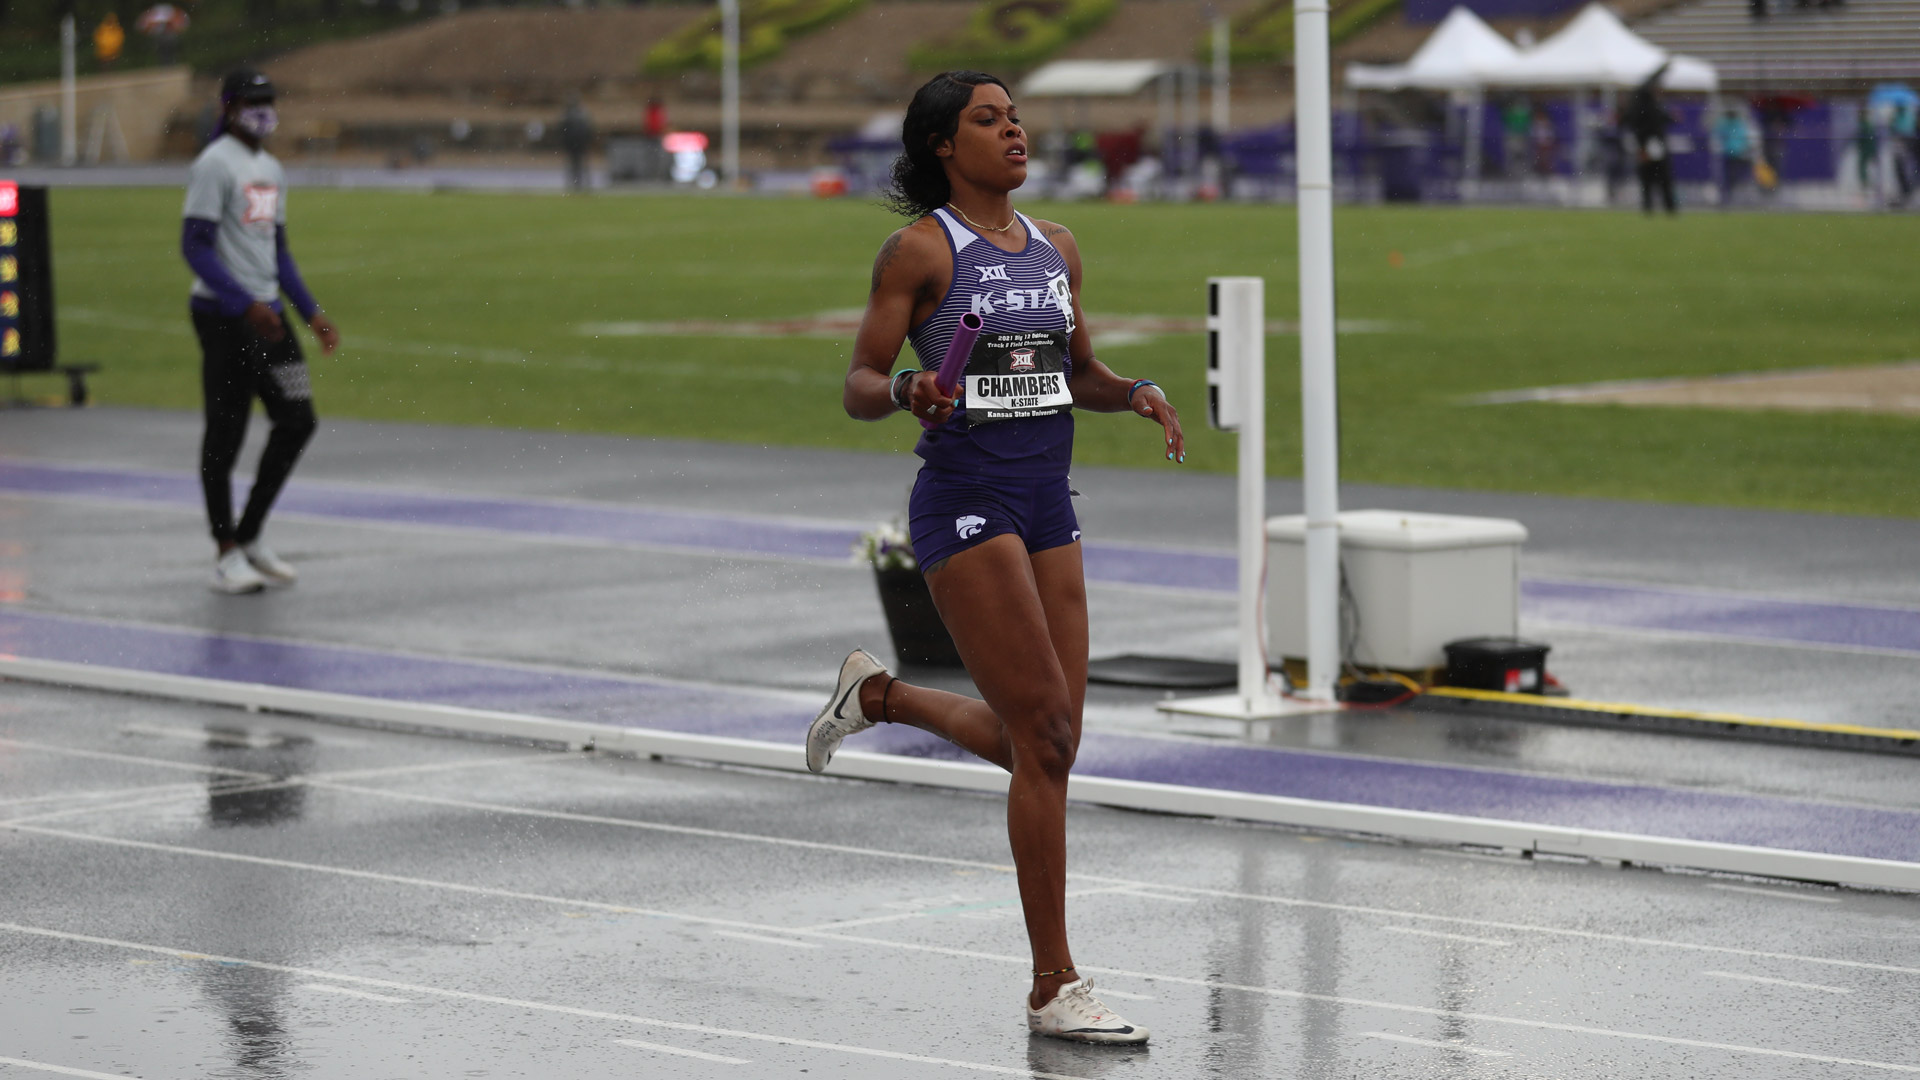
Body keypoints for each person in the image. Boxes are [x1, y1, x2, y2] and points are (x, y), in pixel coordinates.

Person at [808, 70, 1183, 1045]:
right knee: (1048, 733)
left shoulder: (1058, 247)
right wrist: (904, 394)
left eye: (1016, 118)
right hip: (965, 504)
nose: (1013, 132)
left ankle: (878, 698)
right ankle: (1053, 986)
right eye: (989, 120)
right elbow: (856, 381)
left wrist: (1133, 388)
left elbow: (1080, 373)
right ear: (944, 144)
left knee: (1044, 748)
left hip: (1046, 501)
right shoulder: (921, 250)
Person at [180, 70, 340, 594]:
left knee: (298, 419)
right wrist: (242, 303)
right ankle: (225, 551)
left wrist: (310, 311)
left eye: (269, 101)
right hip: (226, 318)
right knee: (225, 433)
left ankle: (250, 534)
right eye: (253, 102)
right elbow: (195, 246)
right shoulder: (214, 165)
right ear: (229, 108)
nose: (264, 112)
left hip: (269, 314)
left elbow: (278, 249)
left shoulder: (270, 167)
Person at [1624, 64, 1677, 214]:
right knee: (1655, 177)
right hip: (1649, 143)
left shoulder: (1649, 104)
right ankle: (1658, 207)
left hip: (1652, 143)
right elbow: (1643, 124)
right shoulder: (1644, 102)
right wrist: (1643, 146)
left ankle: (1660, 208)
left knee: (1654, 178)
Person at [1715, 107, 1753, 207]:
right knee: (1737, 179)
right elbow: (1746, 139)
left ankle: (1728, 200)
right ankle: (1734, 200)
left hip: (1731, 154)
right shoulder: (1739, 124)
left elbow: (1718, 134)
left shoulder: (1725, 124)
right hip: (1737, 154)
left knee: (1730, 179)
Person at [558, 97, 594, 192]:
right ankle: (584, 185)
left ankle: (574, 185)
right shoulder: (583, 115)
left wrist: (566, 143)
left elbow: (562, 131)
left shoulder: (567, 116)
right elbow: (588, 130)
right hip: (581, 144)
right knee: (582, 166)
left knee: (573, 166)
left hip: (572, 144)